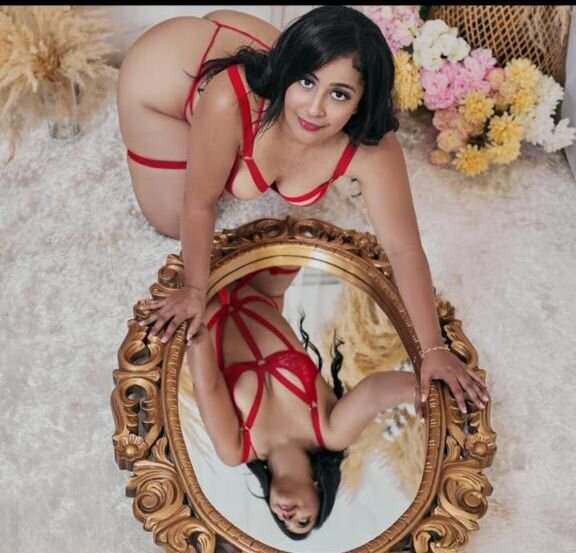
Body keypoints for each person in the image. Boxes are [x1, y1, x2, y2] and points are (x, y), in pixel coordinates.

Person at [124, 7, 490, 422]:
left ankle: (289, 68)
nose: (315, 109)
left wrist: (434, 349)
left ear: (362, 101)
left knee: (307, 84)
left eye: (340, 94)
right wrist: (194, 287)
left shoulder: (374, 150)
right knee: (169, 221)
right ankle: (247, 64)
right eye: (307, 81)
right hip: (162, 74)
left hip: (241, 59)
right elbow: (199, 203)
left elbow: (404, 249)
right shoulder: (232, 98)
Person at [184, 266, 422, 538]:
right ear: (320, 491)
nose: (288, 519)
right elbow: (372, 393)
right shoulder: (330, 432)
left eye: (282, 523)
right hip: (260, 285)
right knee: (313, 240)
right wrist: (424, 391)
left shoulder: (236, 449)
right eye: (303, 521)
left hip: (202, 302)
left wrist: (196, 333)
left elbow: (208, 386)